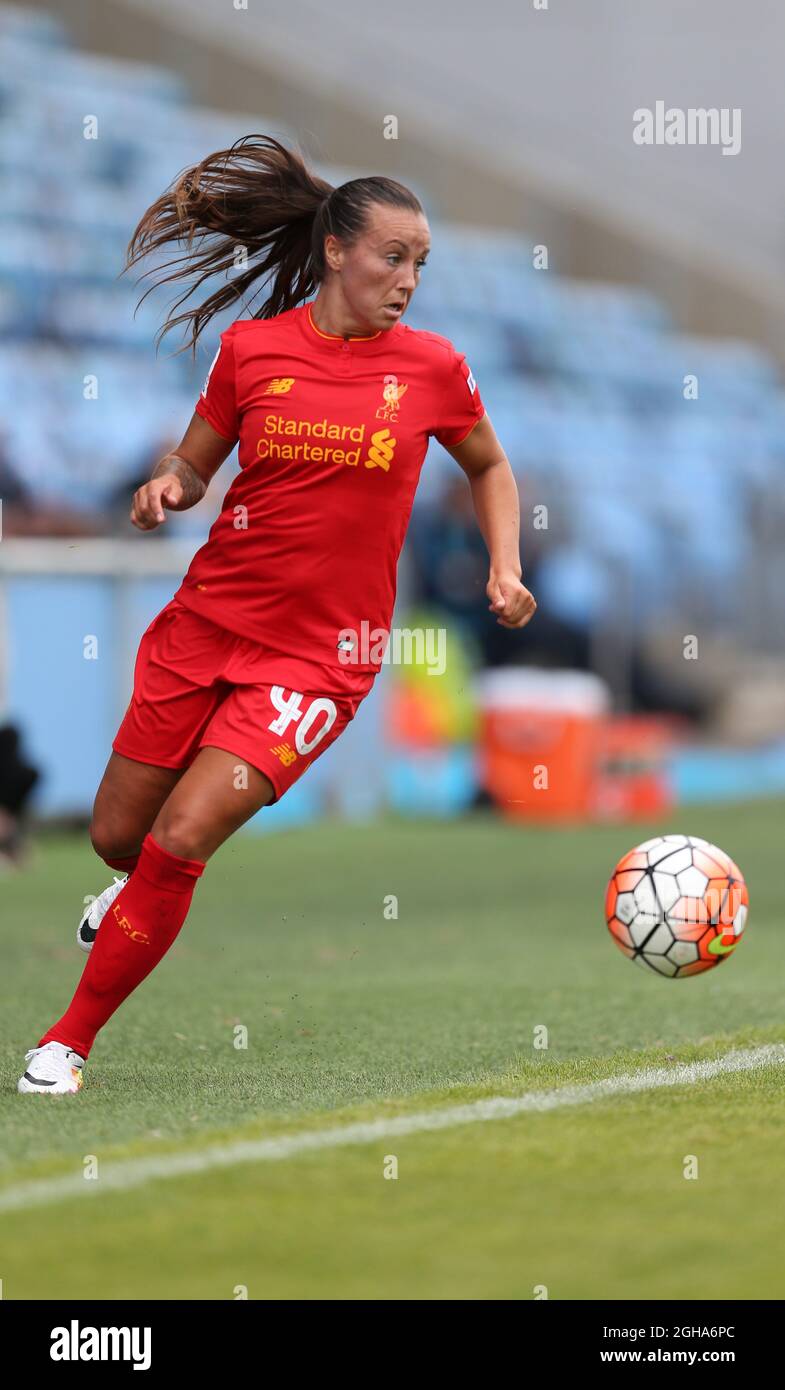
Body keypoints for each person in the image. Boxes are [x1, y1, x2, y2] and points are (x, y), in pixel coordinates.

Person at [17, 135, 536, 1095]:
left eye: (421, 263)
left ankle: (66, 1042)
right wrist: (164, 489)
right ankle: (128, 891)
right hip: (205, 624)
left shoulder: (431, 370)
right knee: (119, 839)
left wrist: (503, 565)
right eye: (394, 256)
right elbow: (191, 464)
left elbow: (489, 466)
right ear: (336, 250)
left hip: (322, 658)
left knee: (179, 843)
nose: (409, 279)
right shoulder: (252, 352)